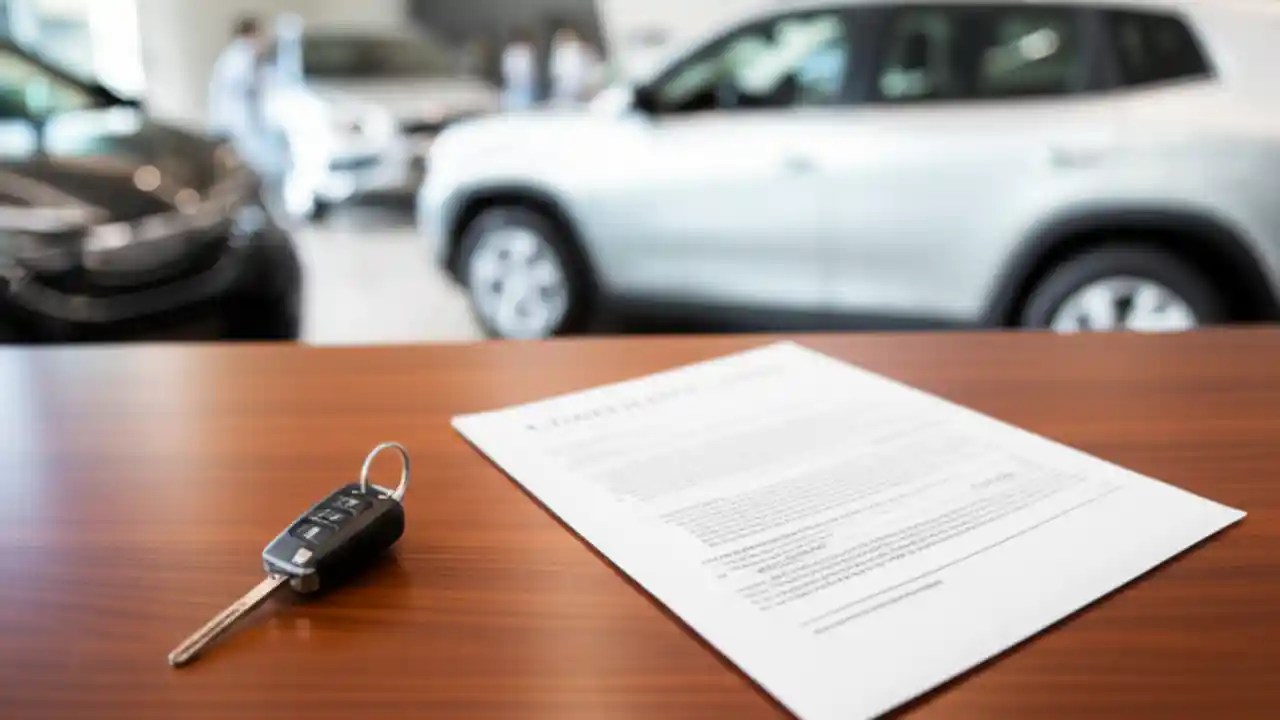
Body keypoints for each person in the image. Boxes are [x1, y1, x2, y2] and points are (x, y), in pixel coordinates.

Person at [208, 17, 274, 168]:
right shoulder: (243, 55)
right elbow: (251, 85)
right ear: (253, 33)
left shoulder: (231, 56)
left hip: (228, 124)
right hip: (239, 126)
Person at [548, 27, 602, 106]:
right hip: (565, 87)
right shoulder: (559, 51)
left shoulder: (580, 49)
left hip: (577, 85)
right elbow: (557, 71)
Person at [501, 28, 538, 111]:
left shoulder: (527, 51)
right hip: (514, 87)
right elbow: (506, 71)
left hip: (524, 88)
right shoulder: (510, 51)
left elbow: (531, 72)